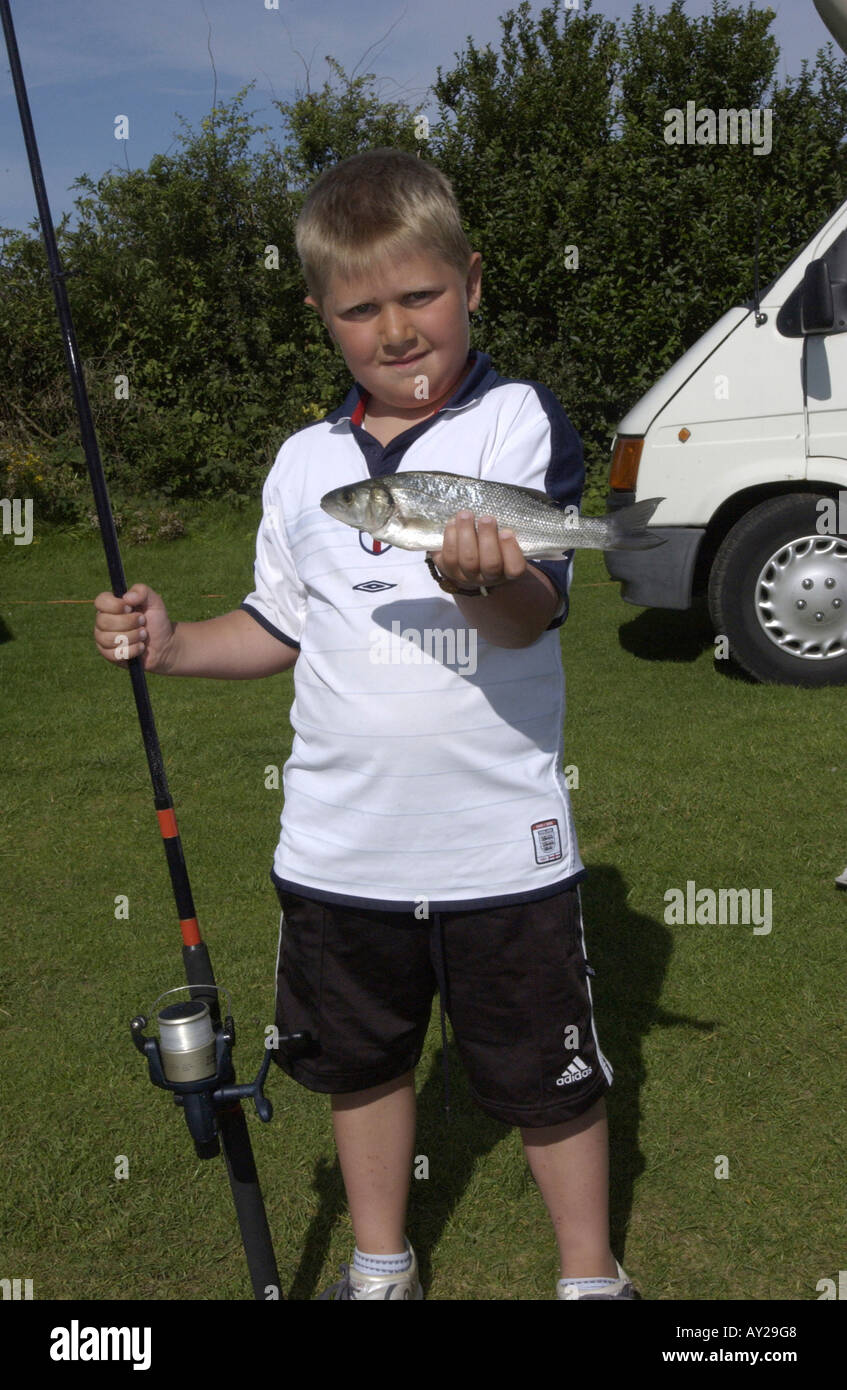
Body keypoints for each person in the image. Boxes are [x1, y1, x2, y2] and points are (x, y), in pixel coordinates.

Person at [93, 148, 636, 1301]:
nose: (394, 330)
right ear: (321, 316)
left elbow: (533, 617)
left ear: (472, 283)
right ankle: (380, 1262)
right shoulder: (303, 466)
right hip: (340, 851)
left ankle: (589, 1274)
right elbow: (277, 625)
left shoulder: (514, 425)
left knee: (549, 1077)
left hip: (503, 847)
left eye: (419, 296)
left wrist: (486, 578)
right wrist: (177, 639)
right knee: (361, 1066)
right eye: (359, 308)